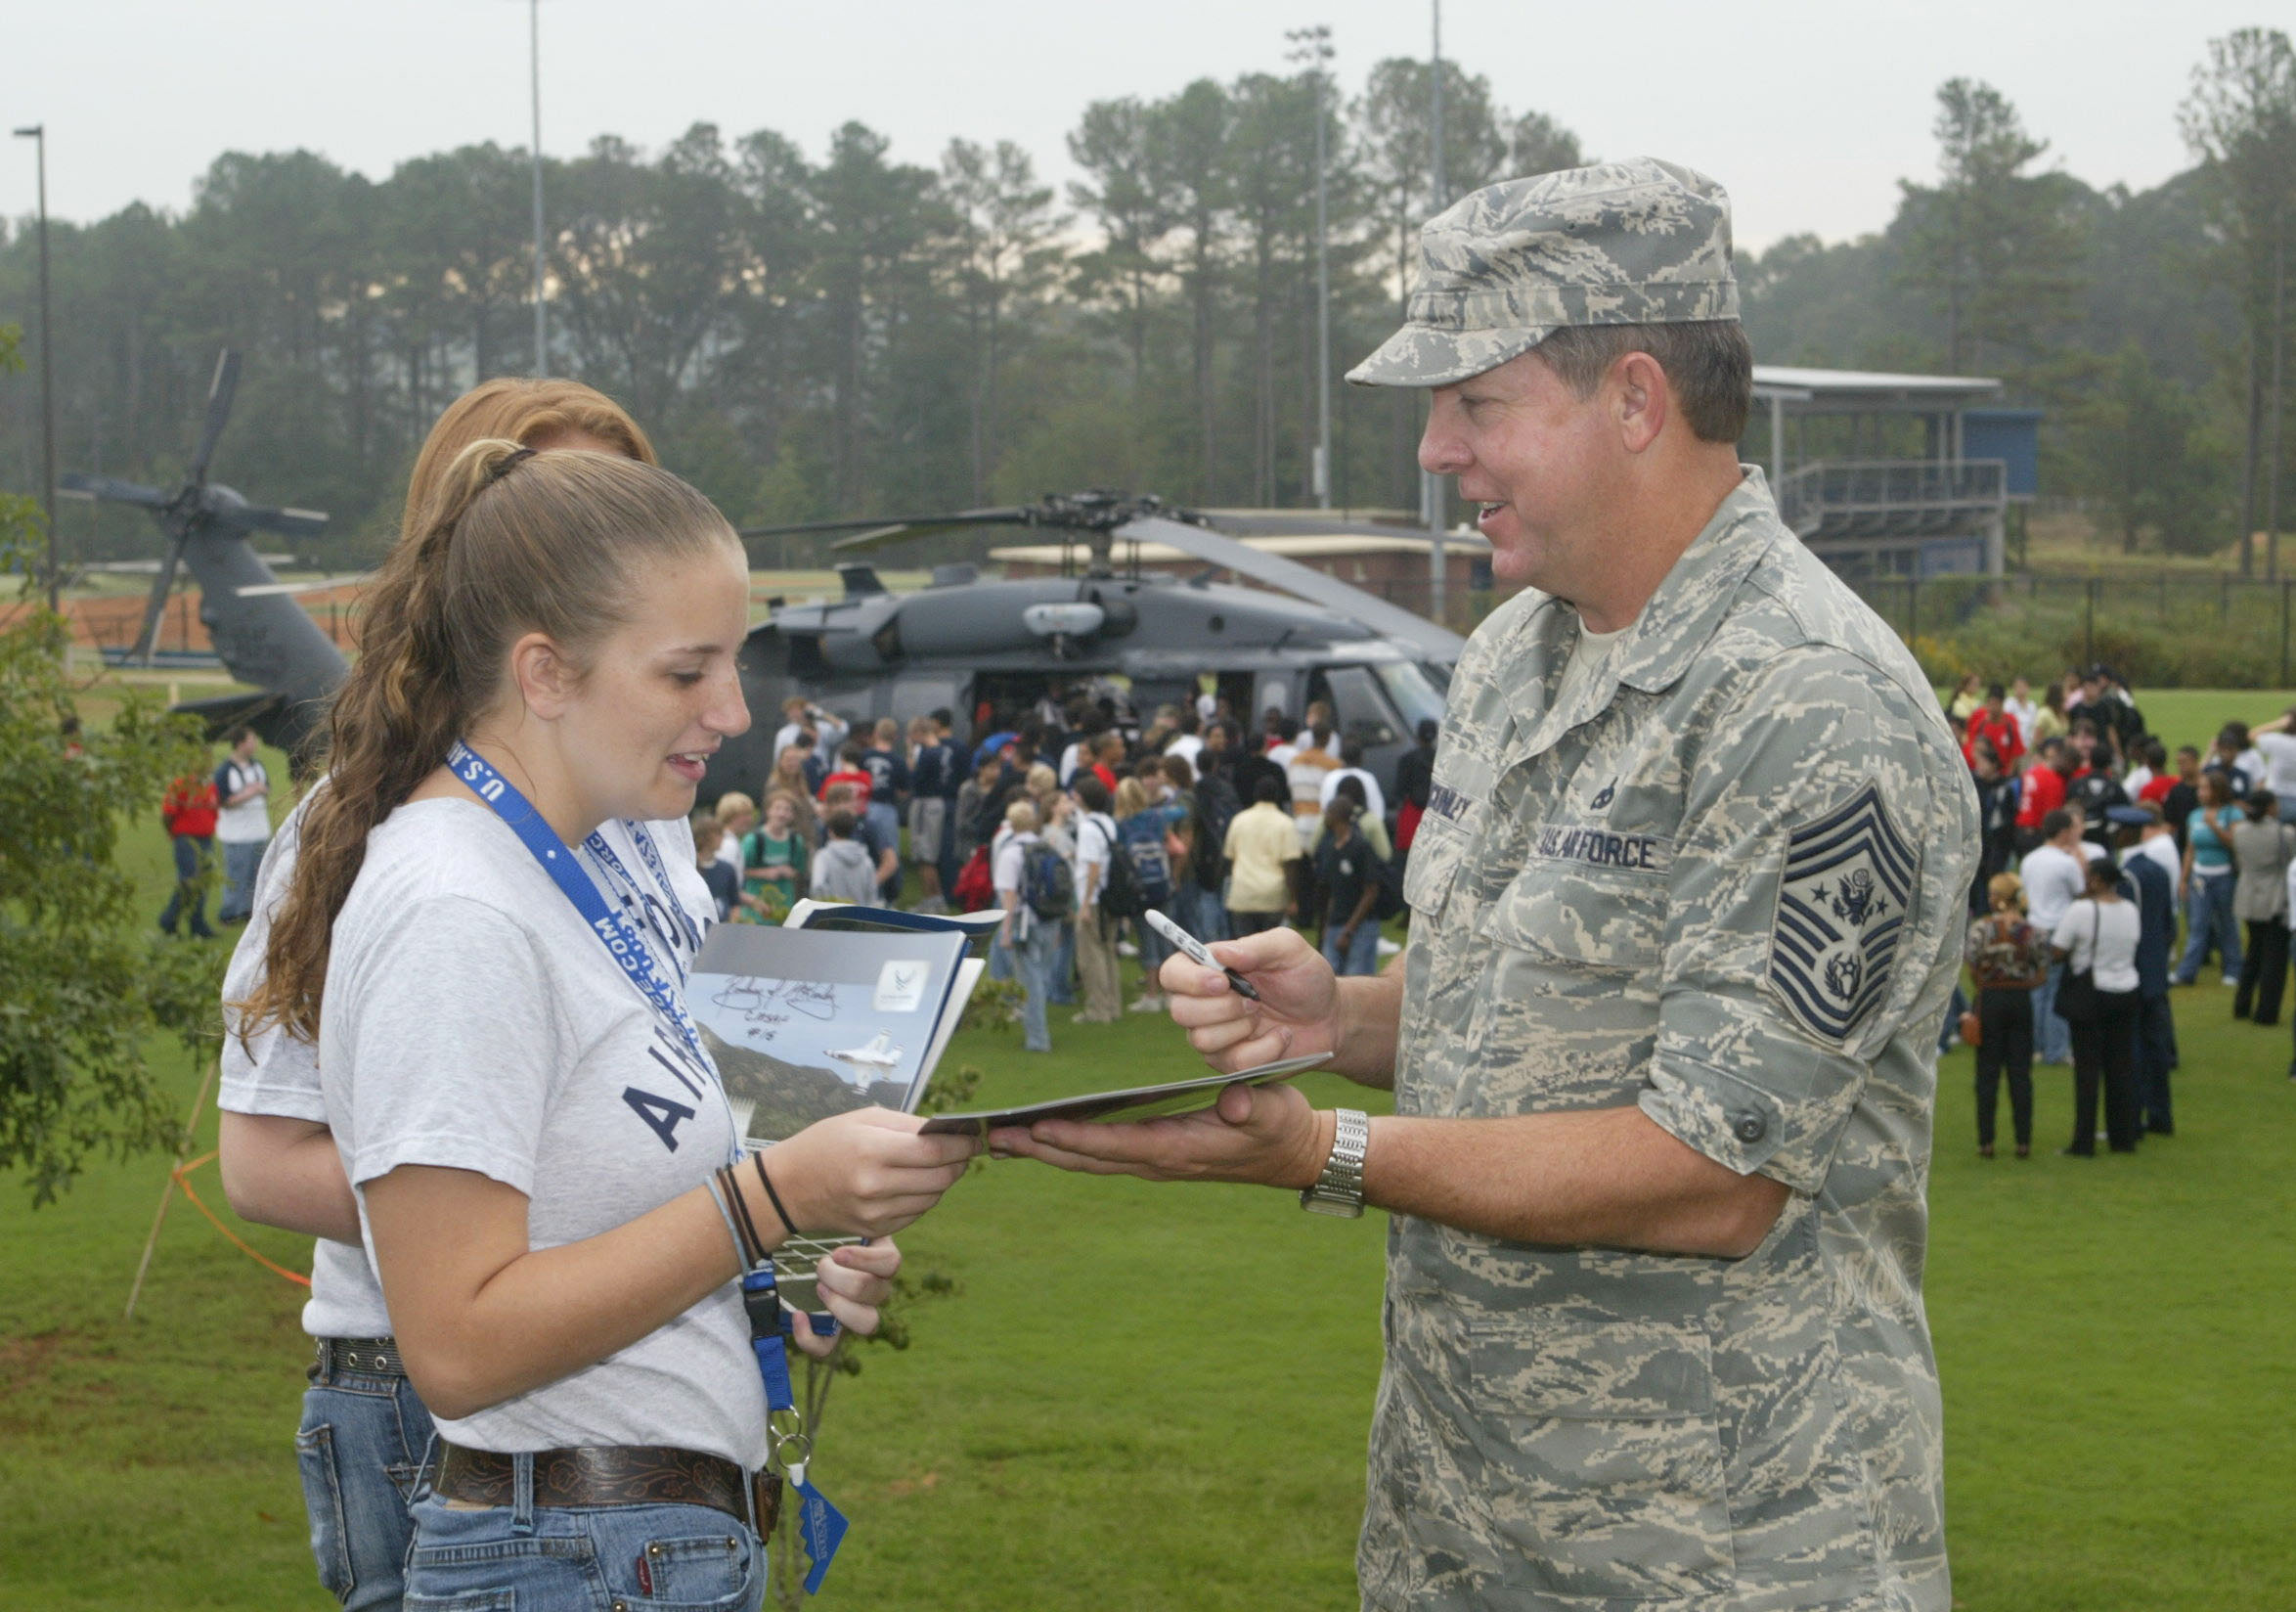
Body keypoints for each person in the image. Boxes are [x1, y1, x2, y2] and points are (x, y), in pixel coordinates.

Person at [998, 161, 1975, 1610]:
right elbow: (1529, 1012)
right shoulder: (1522, 653)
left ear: (1635, 401)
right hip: (1463, 1522)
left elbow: (1715, 1176)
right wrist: (1339, 1016)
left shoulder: (1805, 702)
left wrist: (1324, 1152)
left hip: (1719, 1549)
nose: (1434, 452)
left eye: (1476, 404)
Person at [231, 439, 975, 1611]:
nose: (732, 712)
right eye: (687, 671)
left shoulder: (554, 868)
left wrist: (773, 1276)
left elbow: (591, 1204)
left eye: (732, 663)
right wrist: (774, 1197)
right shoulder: (458, 906)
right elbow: (461, 1341)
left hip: (609, 1551)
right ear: (544, 671)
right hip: (567, 1561)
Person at [215, 376, 675, 1612]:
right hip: (421, 1388)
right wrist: (529, 1230)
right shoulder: (359, 826)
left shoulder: (646, 823)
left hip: (630, 1381)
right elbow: (259, 1159)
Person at [2052, 855, 2142, 1155]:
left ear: (2098, 880)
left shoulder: (2081, 910)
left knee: (2088, 1071)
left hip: (2093, 992)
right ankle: (2123, 1137)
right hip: (2126, 989)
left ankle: (2084, 1140)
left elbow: (2058, 949)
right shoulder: (2130, 909)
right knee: (2121, 1068)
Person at [1965, 872, 2049, 1157]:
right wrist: (2023, 985)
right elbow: (2042, 971)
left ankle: (1986, 1141)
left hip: (1990, 999)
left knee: (1987, 1073)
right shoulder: (2031, 932)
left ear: (1999, 897)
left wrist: (1987, 985)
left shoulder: (1981, 929)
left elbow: (1972, 964)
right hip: (2020, 1000)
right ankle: (2023, 1141)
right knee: (2020, 1073)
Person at [2110, 807, 2179, 1136]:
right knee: (2158, 1046)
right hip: (2156, 970)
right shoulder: (2158, 870)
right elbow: (2169, 923)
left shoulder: (2128, 876)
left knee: (2132, 1047)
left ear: (2128, 833)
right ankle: (2161, 1116)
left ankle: (2132, 1117)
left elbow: (2127, 927)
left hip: (2135, 970)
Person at [2020, 808, 2092, 1064]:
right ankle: (2057, 1050)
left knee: (2037, 990)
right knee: (2056, 992)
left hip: (2033, 928)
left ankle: (2035, 1046)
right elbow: (2081, 893)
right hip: (2058, 930)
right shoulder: (2066, 862)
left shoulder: (2030, 859)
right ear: (2063, 832)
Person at [993, 797, 1056, 1052]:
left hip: (1024, 922)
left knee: (1030, 982)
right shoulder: (1046, 847)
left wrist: (1006, 930)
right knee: (1040, 976)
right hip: (1049, 919)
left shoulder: (1010, 853)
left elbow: (1009, 896)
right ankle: (1039, 1033)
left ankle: (1038, 1040)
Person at [2230, 789, 2294, 1024]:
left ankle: (2242, 1005)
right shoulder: (2282, 833)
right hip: (2275, 898)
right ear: (2269, 807)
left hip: (2248, 895)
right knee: (2274, 960)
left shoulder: (2239, 830)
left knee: (2253, 953)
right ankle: (2266, 1012)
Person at [2177, 770, 2242, 987]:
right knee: (2198, 924)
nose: (2200, 792)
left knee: (2227, 923)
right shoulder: (2195, 816)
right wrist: (2184, 879)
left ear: (2217, 790)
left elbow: (2235, 844)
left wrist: (2214, 826)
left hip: (2224, 876)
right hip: (2200, 877)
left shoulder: (2232, 814)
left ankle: (2233, 969)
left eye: (2205, 788)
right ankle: (2187, 972)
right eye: (2200, 788)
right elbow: (2190, 849)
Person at [1070, 775, 1124, 1023]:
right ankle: (1113, 1005)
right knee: (1108, 950)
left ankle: (1098, 1009)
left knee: (1091, 956)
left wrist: (1084, 905)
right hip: (1110, 896)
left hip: (1094, 898)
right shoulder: (1107, 822)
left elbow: (1093, 867)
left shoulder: (1088, 827)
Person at [1221, 775, 1302, 938]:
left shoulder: (1239, 820)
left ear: (1255, 795)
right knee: (1270, 952)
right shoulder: (1285, 823)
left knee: (1244, 952)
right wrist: (1293, 898)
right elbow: (1290, 865)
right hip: (1273, 897)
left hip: (1242, 895)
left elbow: (1229, 856)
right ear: (1277, 795)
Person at [1313, 797, 1385, 977]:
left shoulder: (1361, 846)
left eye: (1328, 811)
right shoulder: (1330, 848)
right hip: (1336, 923)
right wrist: (1327, 927)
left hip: (1361, 926)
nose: (1325, 816)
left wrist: (1349, 930)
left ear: (1338, 815)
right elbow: (1333, 892)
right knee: (1330, 979)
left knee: (1357, 980)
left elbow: (1371, 891)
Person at [215, 725, 273, 923]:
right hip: (236, 834)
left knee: (256, 875)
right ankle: (230, 912)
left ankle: (250, 910)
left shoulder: (258, 767)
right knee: (236, 874)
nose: (255, 744)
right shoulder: (225, 771)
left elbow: (267, 789)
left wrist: (260, 791)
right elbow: (222, 800)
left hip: (259, 831)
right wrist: (250, 793)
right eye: (251, 740)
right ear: (240, 744)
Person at [159, 766, 220, 939]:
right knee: (189, 880)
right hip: (186, 838)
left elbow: (213, 809)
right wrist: (174, 833)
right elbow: (168, 813)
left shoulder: (209, 785)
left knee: (204, 880)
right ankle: (169, 920)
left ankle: (197, 924)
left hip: (205, 838)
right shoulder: (181, 784)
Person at [743, 788, 809, 918]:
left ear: (793, 815)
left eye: (787, 810)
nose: (781, 814)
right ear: (768, 811)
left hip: (784, 909)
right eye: (777, 808)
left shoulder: (796, 841)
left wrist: (790, 872)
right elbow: (738, 871)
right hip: (756, 910)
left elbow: (799, 870)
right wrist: (765, 873)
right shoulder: (753, 840)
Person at [810, 807, 879, 904]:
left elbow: (818, 886)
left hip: (832, 914)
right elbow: (872, 891)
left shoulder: (823, 857)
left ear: (830, 831)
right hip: (858, 914)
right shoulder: (865, 859)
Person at [691, 814, 741, 921]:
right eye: (718, 834)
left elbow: (735, 903)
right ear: (704, 836)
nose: (722, 838)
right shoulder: (690, 868)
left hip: (722, 929)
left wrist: (732, 925)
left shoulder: (727, 869)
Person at [2005, 675, 2039, 748]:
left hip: (2027, 745)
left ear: (2028, 688)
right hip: (2012, 744)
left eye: (2022, 687)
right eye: (2017, 687)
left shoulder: (2032, 706)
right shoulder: (2009, 703)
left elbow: (2035, 726)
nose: (2020, 689)